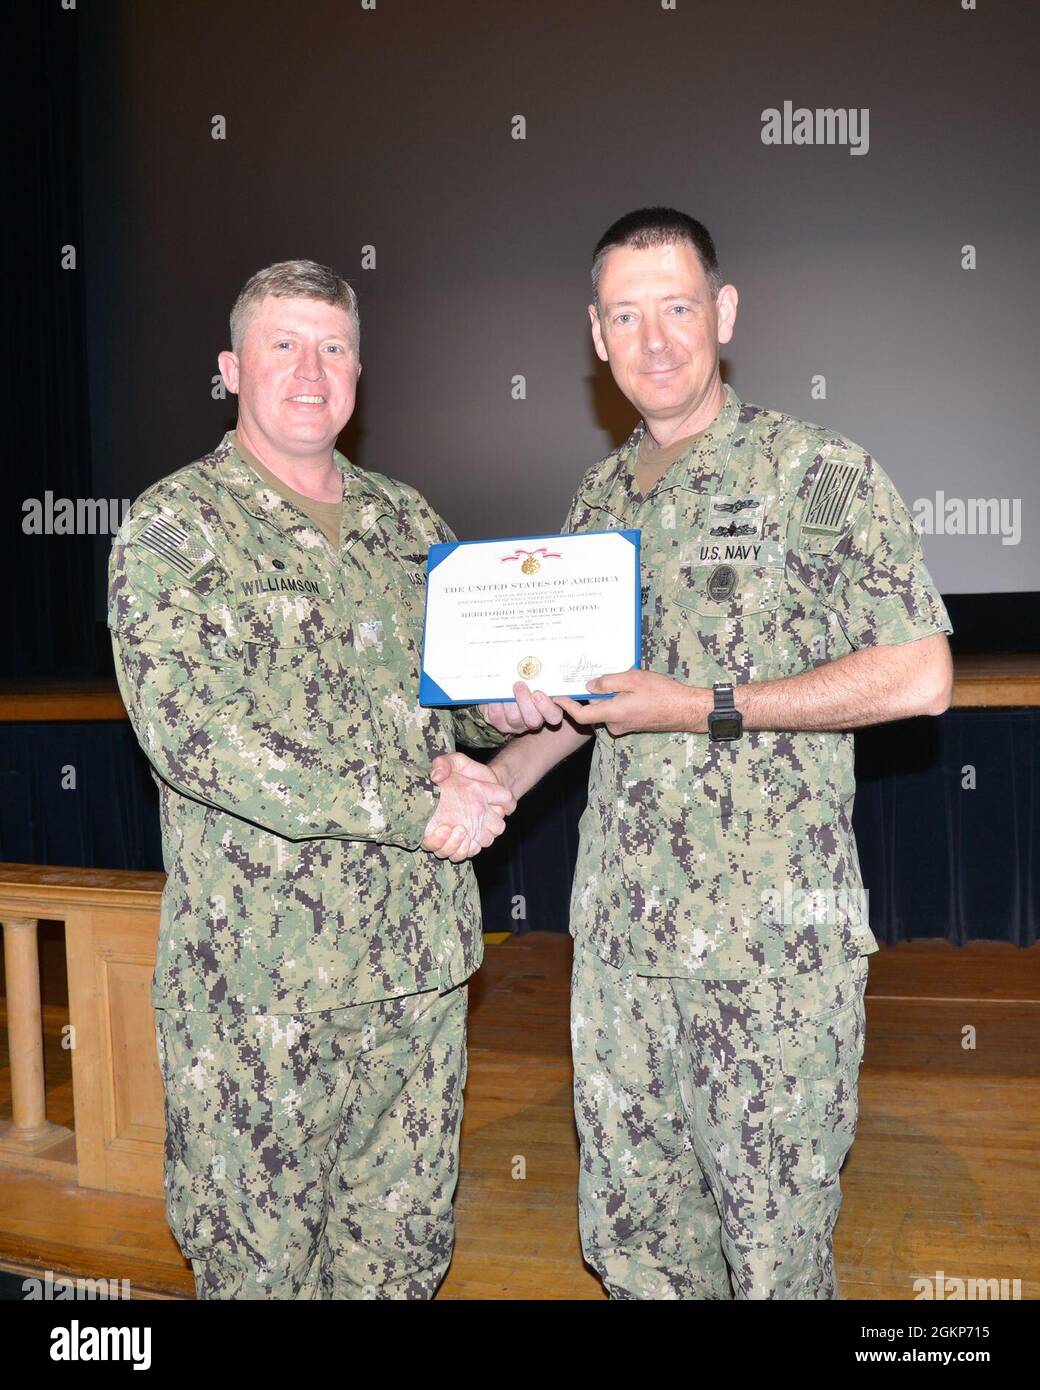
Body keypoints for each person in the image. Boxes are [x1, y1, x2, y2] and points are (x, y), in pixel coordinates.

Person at [448, 208, 954, 1299]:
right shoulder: (592, 505)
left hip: (768, 958)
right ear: (595, 336)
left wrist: (704, 704)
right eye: (626, 316)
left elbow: (919, 675)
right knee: (636, 1249)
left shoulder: (814, 474)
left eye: (676, 307)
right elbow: (588, 715)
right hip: (622, 951)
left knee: (771, 1257)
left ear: (721, 313)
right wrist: (499, 769)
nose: (655, 339)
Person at [108, 259, 512, 1299]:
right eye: (282, 344)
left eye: (332, 347)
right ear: (230, 367)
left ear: (358, 372)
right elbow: (196, 739)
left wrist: (502, 705)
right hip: (262, 994)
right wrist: (415, 806)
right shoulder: (173, 527)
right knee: (258, 1272)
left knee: (400, 1262)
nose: (308, 369)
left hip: (416, 976)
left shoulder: (406, 520)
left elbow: (452, 694)